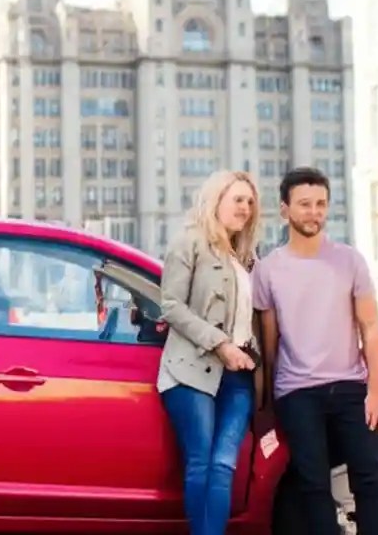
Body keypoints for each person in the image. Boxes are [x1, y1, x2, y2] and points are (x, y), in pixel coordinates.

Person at [252, 166, 378, 535]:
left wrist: (376, 392)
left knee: (370, 479)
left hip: (350, 386)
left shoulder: (350, 260)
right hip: (296, 392)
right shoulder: (268, 270)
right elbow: (269, 341)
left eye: (320, 204)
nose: (314, 212)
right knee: (312, 484)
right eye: (304, 204)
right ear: (285, 210)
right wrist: (265, 404)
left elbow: (371, 326)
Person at [156, 169, 265, 535]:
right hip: (191, 369)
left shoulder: (248, 256)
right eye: (238, 199)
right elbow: (171, 305)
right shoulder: (189, 242)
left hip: (240, 376)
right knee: (201, 461)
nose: (245, 207)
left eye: (250, 202)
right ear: (216, 199)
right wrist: (220, 344)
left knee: (224, 465)